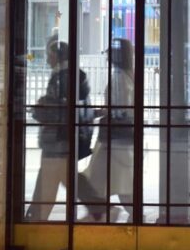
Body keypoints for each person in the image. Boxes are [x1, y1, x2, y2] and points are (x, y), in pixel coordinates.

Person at [27, 36, 89, 221]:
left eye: (50, 55)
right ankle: (98, 207)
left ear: (58, 56)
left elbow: (56, 111)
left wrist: (39, 108)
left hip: (55, 141)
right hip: (65, 139)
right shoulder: (77, 75)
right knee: (64, 179)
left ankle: (34, 220)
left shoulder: (59, 77)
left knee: (48, 183)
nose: (47, 59)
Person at [78, 37, 135, 222]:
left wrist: (96, 113)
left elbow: (119, 110)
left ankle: (103, 213)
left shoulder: (118, 77)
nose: (107, 55)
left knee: (100, 180)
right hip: (120, 139)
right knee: (114, 181)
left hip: (112, 139)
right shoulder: (128, 75)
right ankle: (109, 213)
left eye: (111, 51)